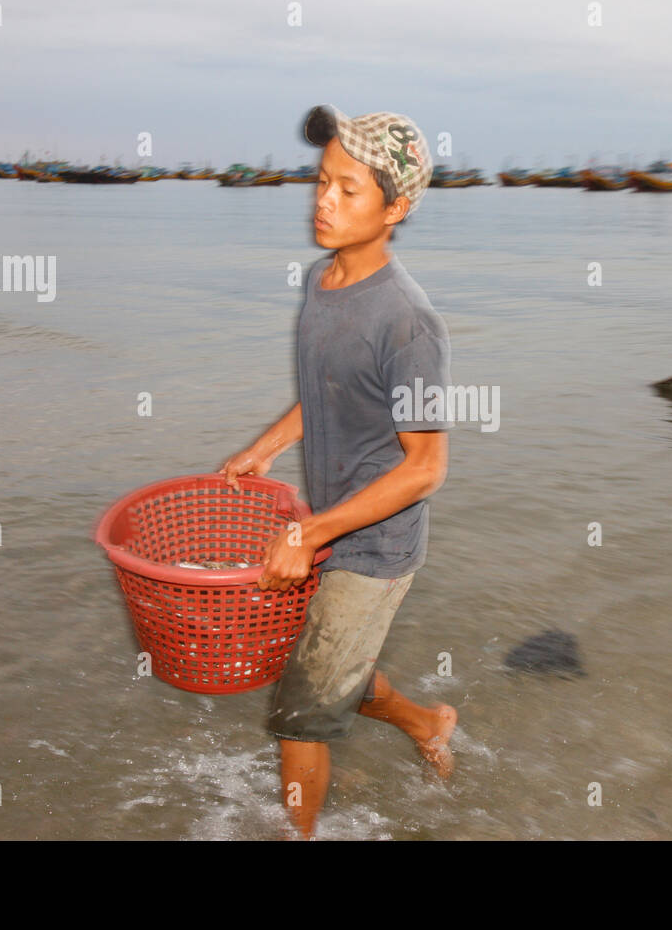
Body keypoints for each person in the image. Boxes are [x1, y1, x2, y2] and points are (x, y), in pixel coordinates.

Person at [219, 104, 457, 839]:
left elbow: (425, 468)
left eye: (349, 190)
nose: (324, 201)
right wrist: (265, 447)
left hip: (375, 543)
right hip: (327, 526)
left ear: (398, 208)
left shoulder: (407, 322)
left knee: (299, 715)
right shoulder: (323, 283)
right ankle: (425, 720)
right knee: (334, 677)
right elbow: (326, 389)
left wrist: (311, 532)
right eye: (322, 182)